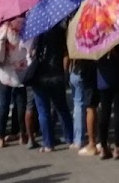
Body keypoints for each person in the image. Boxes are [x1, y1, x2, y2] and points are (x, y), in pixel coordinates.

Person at [28, 23, 75, 153]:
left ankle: (48, 144)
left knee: (43, 111)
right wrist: (65, 73)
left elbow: (32, 53)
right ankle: (70, 139)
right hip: (56, 75)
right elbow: (66, 53)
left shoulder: (37, 31)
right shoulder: (60, 31)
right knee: (62, 108)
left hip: (39, 76)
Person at [0, 18, 28, 148]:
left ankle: (0, 137)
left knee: (4, 104)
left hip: (6, 70)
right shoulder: (27, 24)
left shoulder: (6, 27)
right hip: (22, 69)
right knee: (21, 103)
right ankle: (22, 134)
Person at [94, 40, 119, 159]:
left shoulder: (96, 38)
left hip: (103, 79)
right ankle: (118, 147)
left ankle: (103, 148)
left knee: (104, 113)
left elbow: (94, 58)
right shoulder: (118, 35)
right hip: (118, 78)